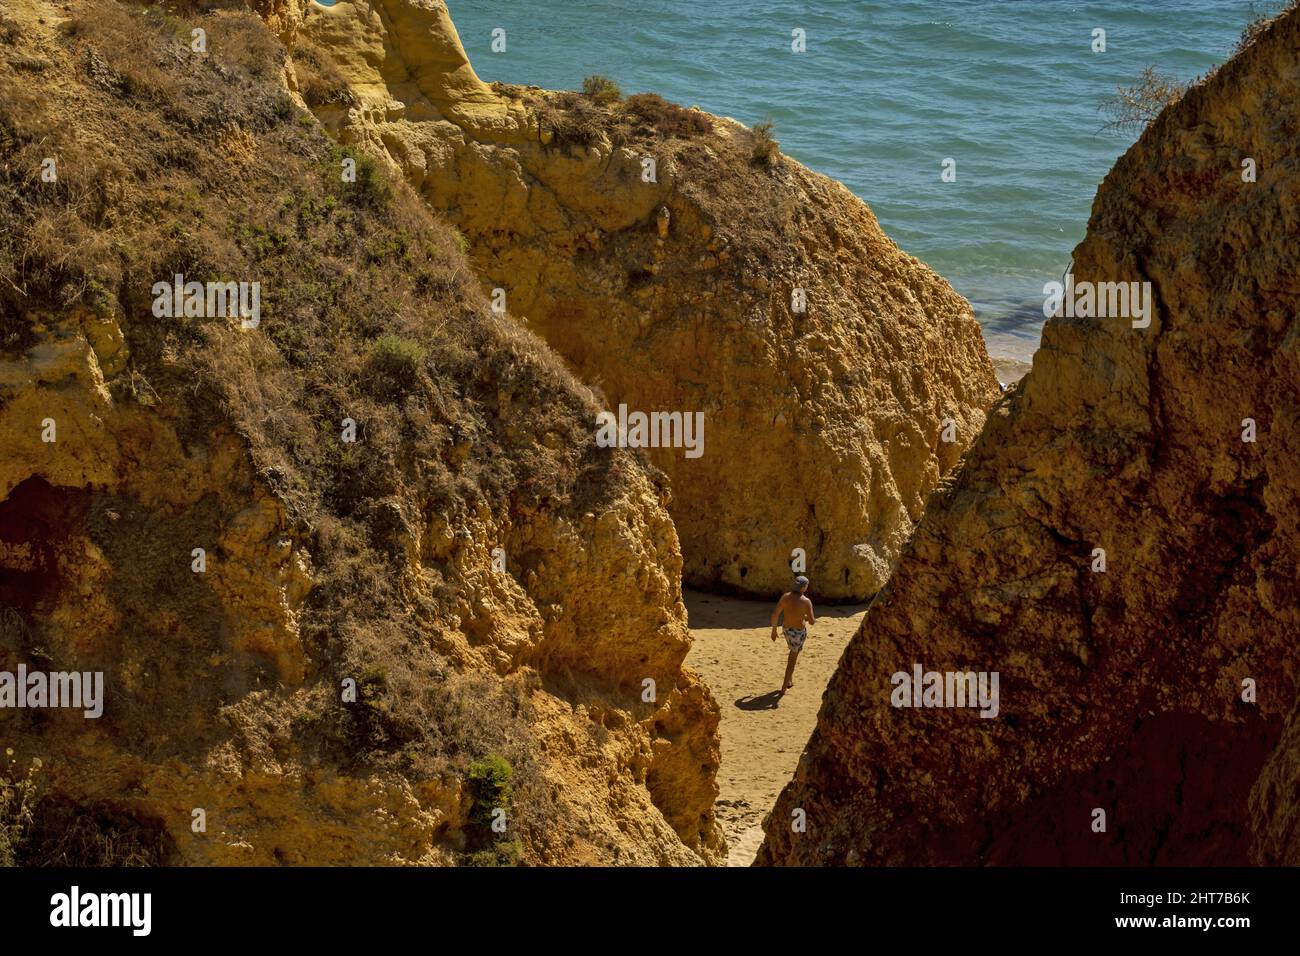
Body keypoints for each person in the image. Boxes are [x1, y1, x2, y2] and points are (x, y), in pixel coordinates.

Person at [770, 576, 815, 693]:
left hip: (786, 630)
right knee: (792, 659)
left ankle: (789, 680)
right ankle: (784, 686)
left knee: (793, 651)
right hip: (798, 632)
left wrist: (774, 630)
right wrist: (804, 617)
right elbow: (812, 621)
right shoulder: (806, 601)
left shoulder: (785, 597)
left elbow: (775, 614)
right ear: (803, 587)